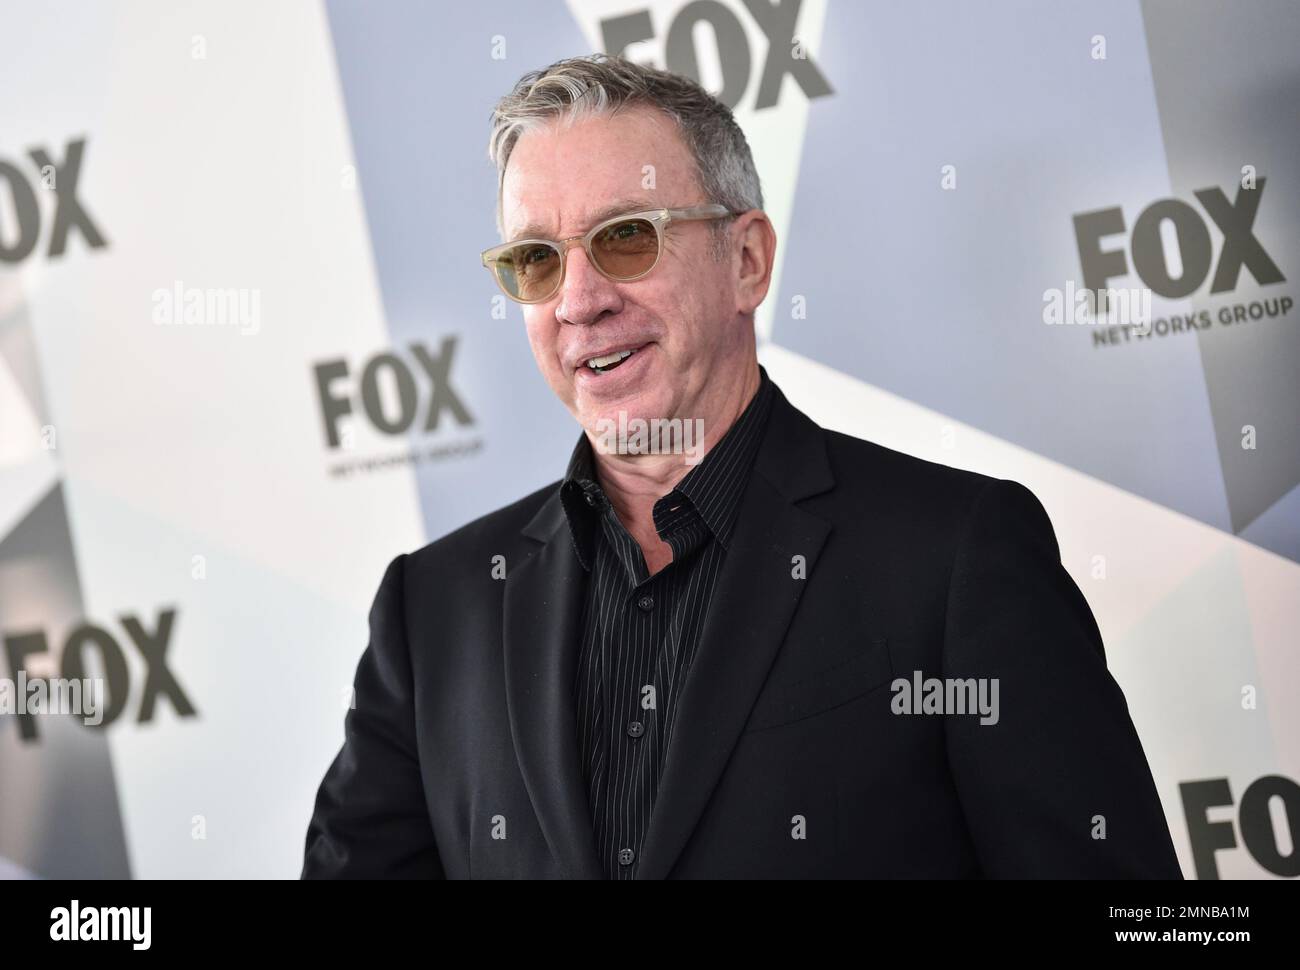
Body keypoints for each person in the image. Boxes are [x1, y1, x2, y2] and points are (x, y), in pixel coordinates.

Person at [302, 54, 1181, 879]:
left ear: (747, 260)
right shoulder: (436, 609)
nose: (578, 300)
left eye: (626, 238)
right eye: (536, 260)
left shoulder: (954, 559)